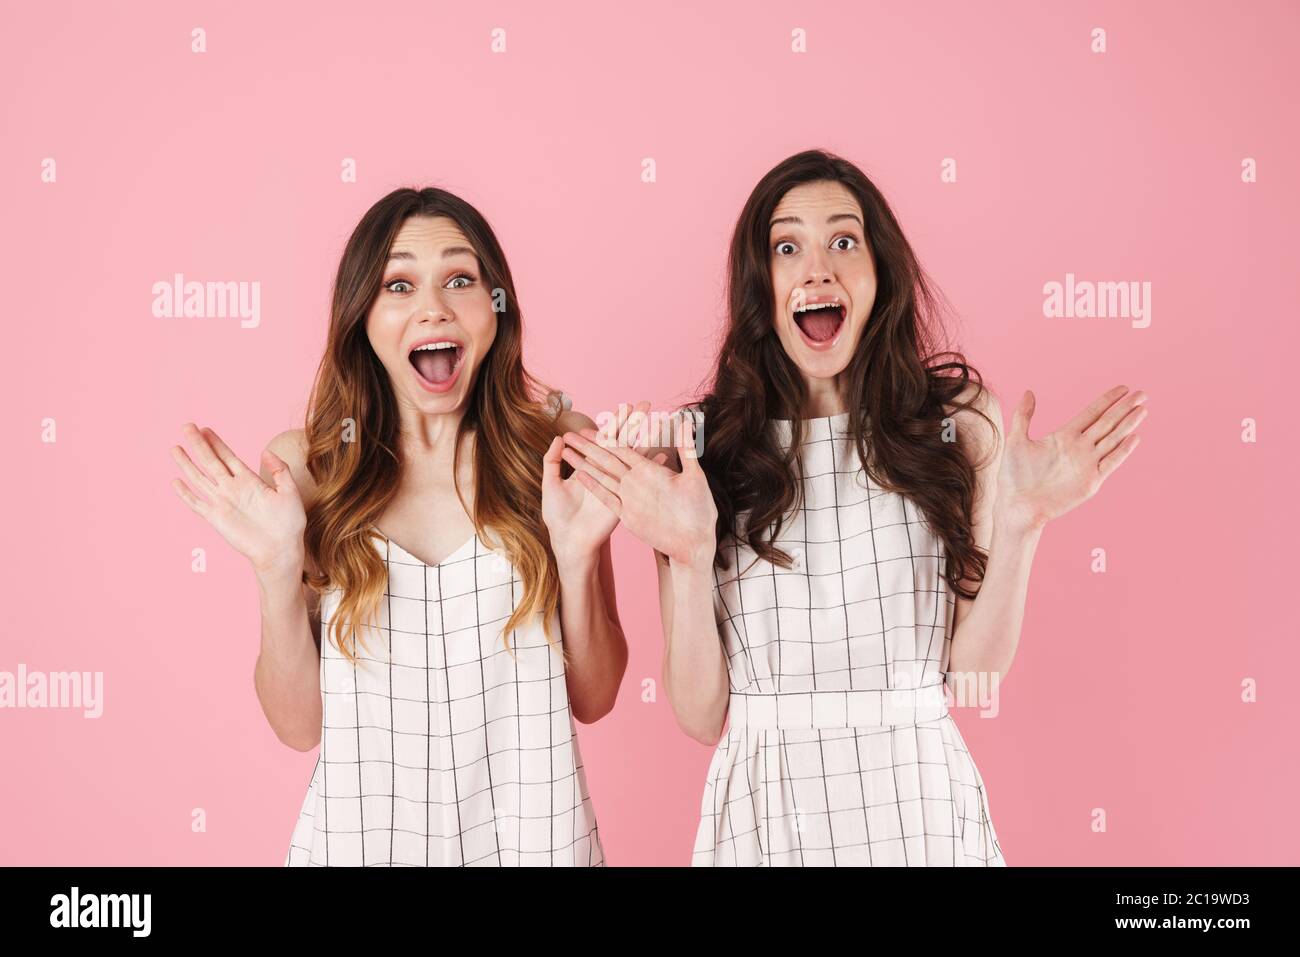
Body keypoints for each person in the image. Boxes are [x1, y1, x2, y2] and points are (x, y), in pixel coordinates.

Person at [560, 149, 1147, 866]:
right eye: (786, 247)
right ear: (760, 284)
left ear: (880, 273)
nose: (817, 270)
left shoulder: (959, 426)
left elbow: (969, 675)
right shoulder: (700, 450)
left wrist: (1024, 522)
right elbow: (701, 713)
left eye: (844, 240)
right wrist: (686, 552)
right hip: (765, 817)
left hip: (922, 812)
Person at [169, 187, 626, 866]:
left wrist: (577, 555)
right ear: (363, 317)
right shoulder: (308, 469)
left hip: (538, 844)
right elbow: (299, 727)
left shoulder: (560, 451)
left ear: (496, 308)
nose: (433, 306)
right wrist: (274, 567)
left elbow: (596, 695)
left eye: (461, 279)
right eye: (399, 283)